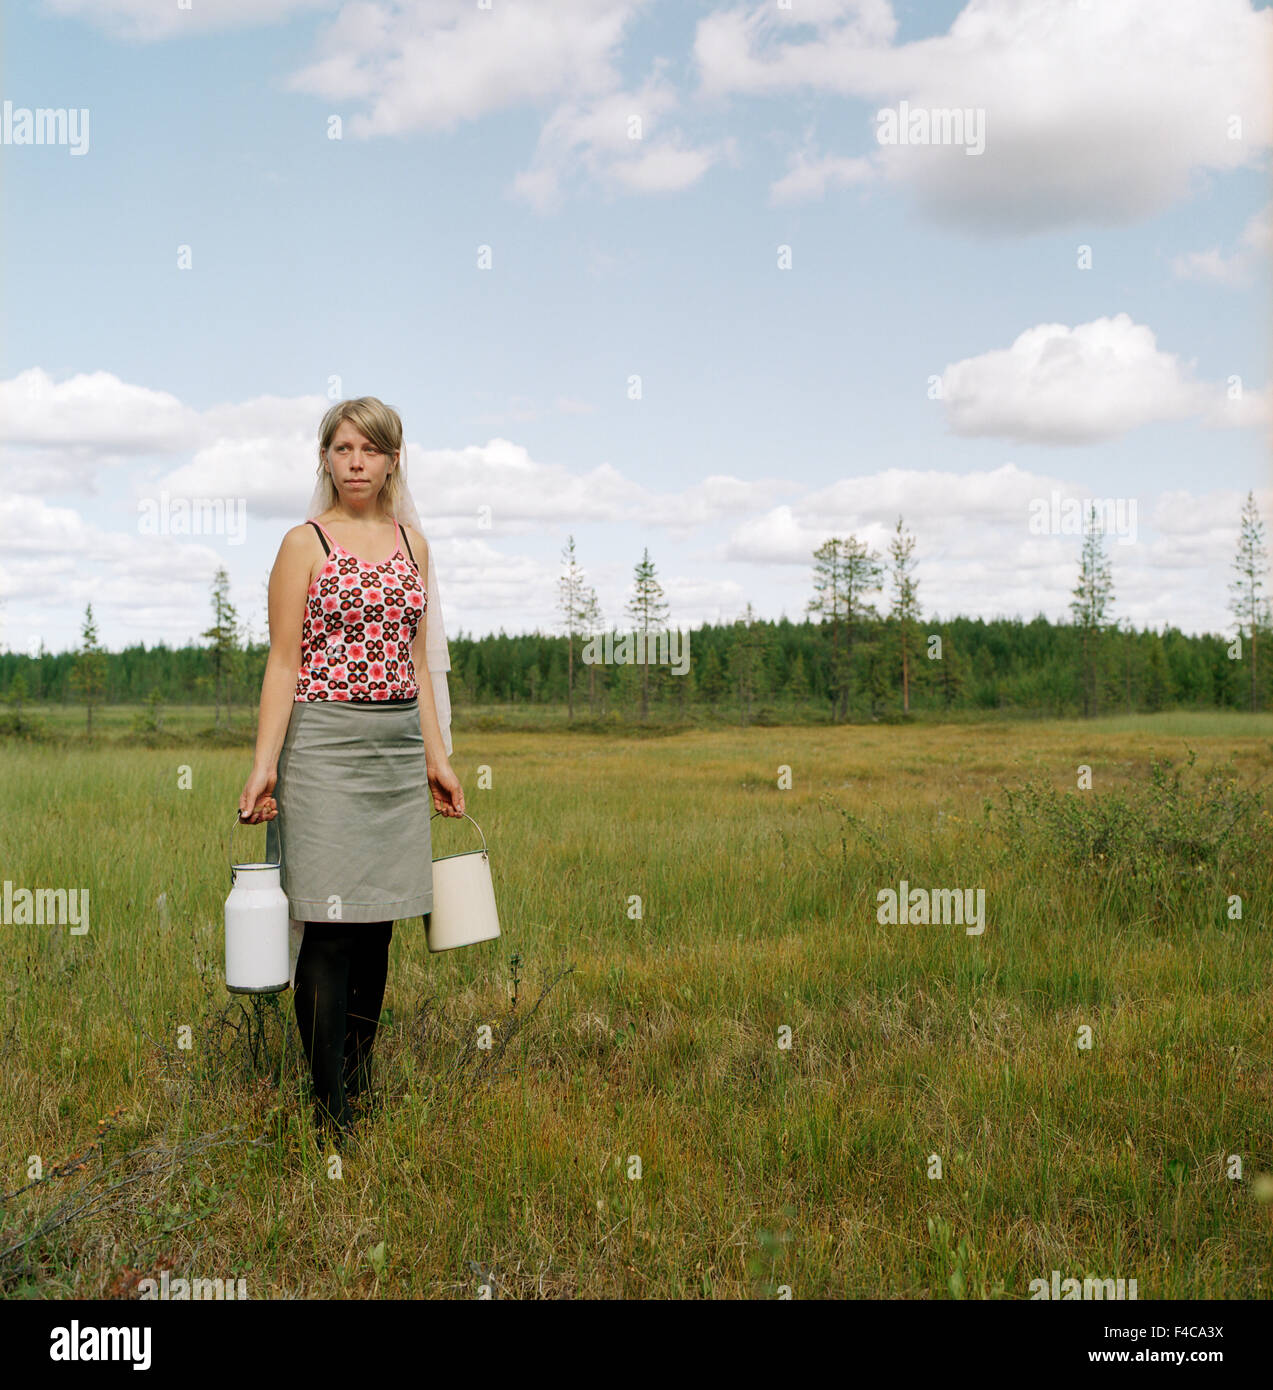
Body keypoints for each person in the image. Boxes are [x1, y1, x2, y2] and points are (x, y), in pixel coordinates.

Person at [237, 396, 465, 1141]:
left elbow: (418, 663)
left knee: (379, 928)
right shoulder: (305, 543)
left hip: (396, 747)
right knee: (330, 929)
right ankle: (328, 1107)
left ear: (395, 459)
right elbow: (283, 661)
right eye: (342, 449)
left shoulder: (412, 545)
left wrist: (437, 758)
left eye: (370, 449)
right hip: (324, 749)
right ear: (325, 460)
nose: (356, 462)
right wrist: (264, 765)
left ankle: (360, 1079)